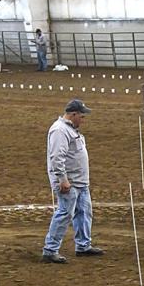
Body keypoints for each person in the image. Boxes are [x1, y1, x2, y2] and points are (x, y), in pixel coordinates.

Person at [42, 99, 103, 263]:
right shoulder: (60, 131)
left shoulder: (70, 129)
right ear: (73, 114)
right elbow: (56, 158)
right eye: (81, 117)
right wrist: (62, 180)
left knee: (84, 212)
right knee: (64, 214)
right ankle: (50, 250)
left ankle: (83, 246)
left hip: (80, 181)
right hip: (69, 183)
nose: (83, 120)